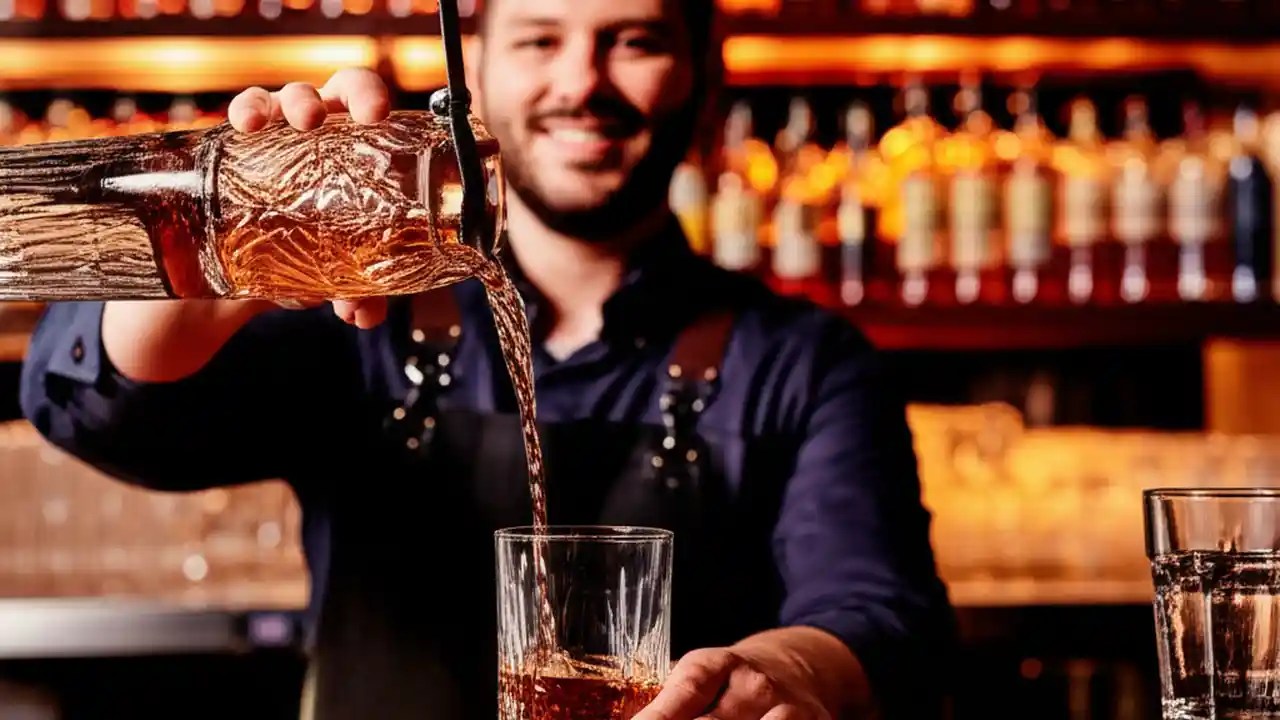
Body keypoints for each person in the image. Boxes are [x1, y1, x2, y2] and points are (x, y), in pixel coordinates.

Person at [19, 0, 956, 717]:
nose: (582, 83)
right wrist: (227, 239)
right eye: (540, 40)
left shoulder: (804, 360)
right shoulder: (362, 319)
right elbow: (92, 408)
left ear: (703, 72)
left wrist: (778, 673)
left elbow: (884, 618)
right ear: (474, 73)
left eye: (634, 39)